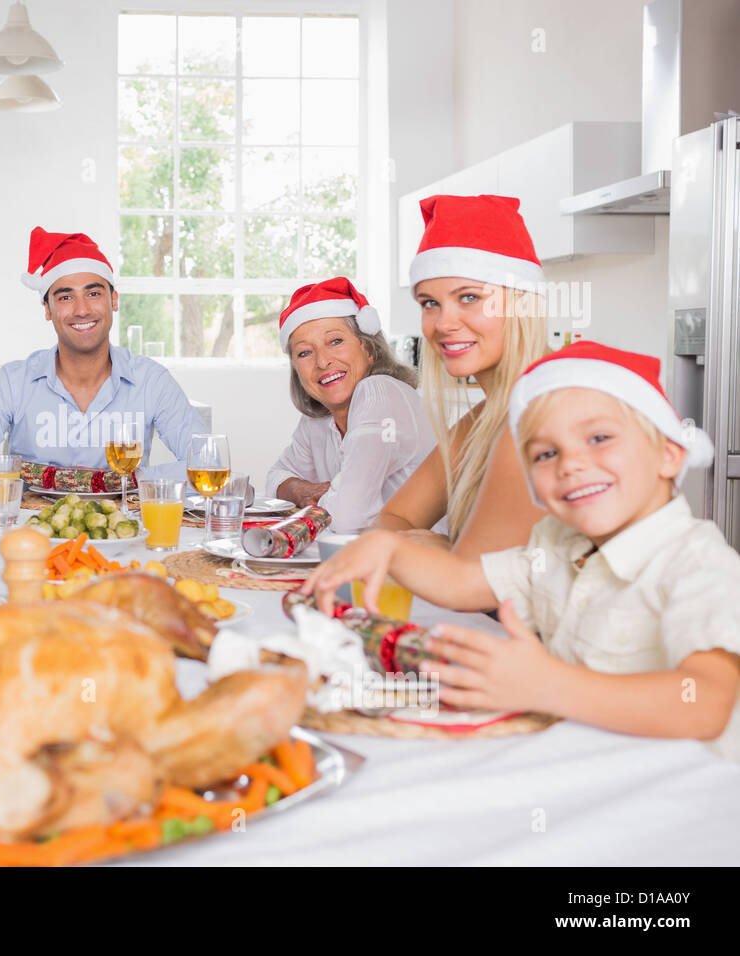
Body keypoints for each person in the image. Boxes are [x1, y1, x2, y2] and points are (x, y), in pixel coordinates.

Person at [301, 342, 740, 760]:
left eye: (600, 438)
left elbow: (706, 702)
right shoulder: (556, 543)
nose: (570, 464)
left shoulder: (697, 563)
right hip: (592, 764)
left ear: (669, 454)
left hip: (681, 796)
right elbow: (463, 584)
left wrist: (549, 685)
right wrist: (387, 548)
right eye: (547, 453)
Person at [0, 226, 203, 491]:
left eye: (93, 293)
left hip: (123, 530)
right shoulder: (13, 382)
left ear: (113, 299)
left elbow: (208, 462)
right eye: (66, 297)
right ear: (48, 309)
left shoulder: (151, 381)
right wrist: (36, 476)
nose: (82, 310)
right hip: (32, 529)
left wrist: (120, 481)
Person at [371, 194, 550, 557]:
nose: (444, 323)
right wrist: (452, 552)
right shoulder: (481, 420)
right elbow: (392, 517)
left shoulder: (551, 408)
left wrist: (450, 552)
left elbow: (485, 572)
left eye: (469, 297)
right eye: (429, 303)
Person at [265, 277, 435, 533]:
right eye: (304, 353)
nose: (322, 361)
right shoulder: (318, 420)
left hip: (423, 563)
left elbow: (347, 518)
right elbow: (275, 479)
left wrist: (320, 500)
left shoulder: (379, 391)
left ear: (368, 349)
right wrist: (303, 490)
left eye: (335, 341)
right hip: (368, 561)